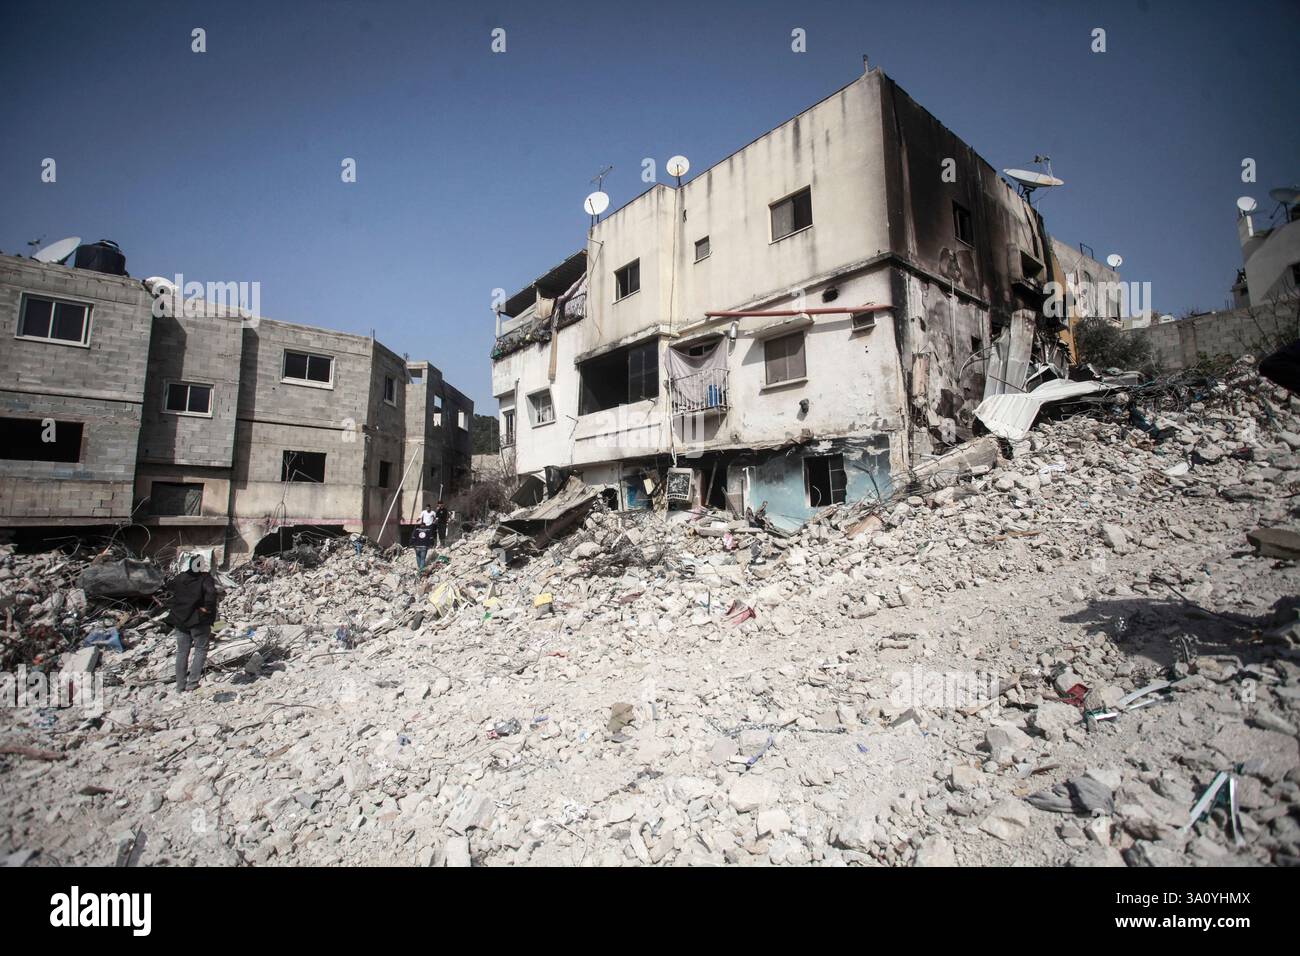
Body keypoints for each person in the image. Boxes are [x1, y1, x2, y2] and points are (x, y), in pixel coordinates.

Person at [166, 554, 219, 693]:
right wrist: (207, 608)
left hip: (180, 620)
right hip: (198, 620)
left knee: (182, 652)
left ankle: (180, 686)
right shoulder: (205, 578)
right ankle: (192, 683)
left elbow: (168, 588)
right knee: (201, 649)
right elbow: (211, 593)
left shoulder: (180, 578)